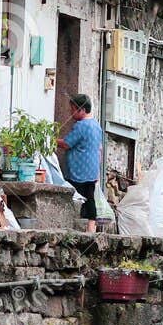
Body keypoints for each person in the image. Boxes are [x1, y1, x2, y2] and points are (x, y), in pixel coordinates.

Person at [58, 94, 102, 234]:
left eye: (73, 109)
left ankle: (68, 223)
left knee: (72, 194)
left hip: (79, 168)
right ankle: (91, 226)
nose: (71, 112)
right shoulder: (96, 125)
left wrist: (50, 140)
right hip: (92, 167)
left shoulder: (81, 126)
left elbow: (67, 143)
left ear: (81, 109)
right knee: (89, 197)